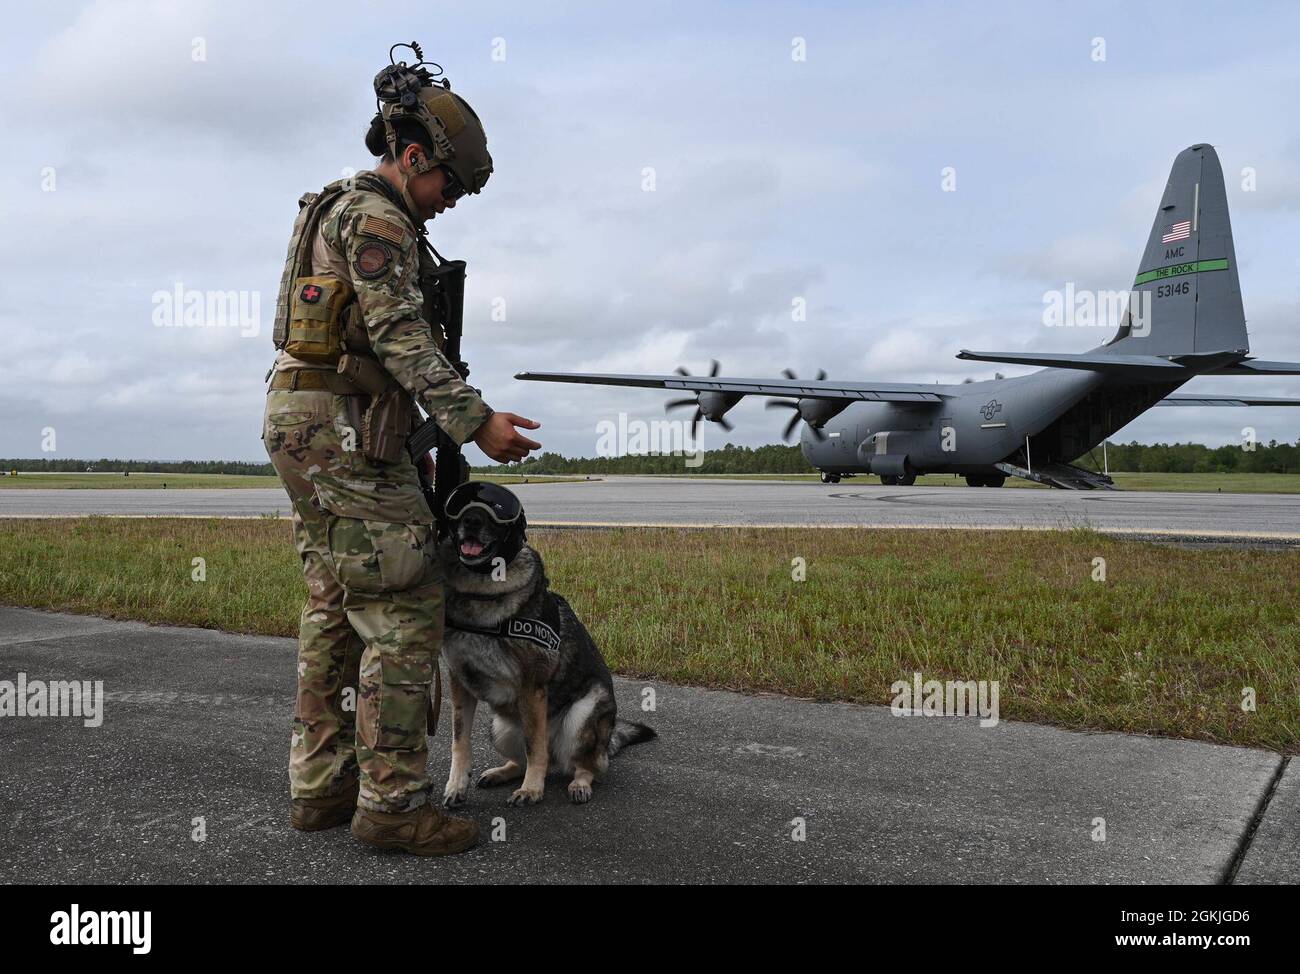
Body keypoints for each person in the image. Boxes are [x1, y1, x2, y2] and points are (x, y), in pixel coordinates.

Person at [263, 48, 540, 856]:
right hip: (345, 424)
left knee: (332, 604)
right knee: (405, 609)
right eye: (448, 186)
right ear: (412, 158)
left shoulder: (330, 208)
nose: (450, 202)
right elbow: (398, 332)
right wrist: (472, 420)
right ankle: (392, 805)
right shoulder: (380, 216)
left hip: (309, 417)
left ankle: (320, 790)